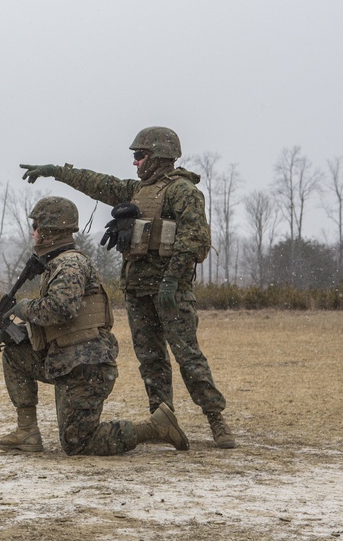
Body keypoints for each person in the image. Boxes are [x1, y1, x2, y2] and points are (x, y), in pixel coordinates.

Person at [20, 127, 237, 449]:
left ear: (159, 156)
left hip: (170, 291)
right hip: (138, 289)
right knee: (150, 360)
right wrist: (56, 172)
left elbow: (195, 240)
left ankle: (216, 418)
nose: (135, 163)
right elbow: (97, 183)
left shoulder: (183, 191)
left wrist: (171, 280)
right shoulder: (138, 191)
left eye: (140, 156)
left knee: (187, 356)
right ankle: (161, 418)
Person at [0, 196, 189, 456]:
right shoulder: (56, 264)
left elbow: (62, 309)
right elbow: (55, 327)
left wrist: (24, 308)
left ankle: (156, 427)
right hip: (67, 360)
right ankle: (27, 431)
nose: (33, 232)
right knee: (14, 354)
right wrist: (4, 337)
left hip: (87, 366)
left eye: (37, 226)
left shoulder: (69, 264)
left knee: (79, 444)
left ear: (49, 232)